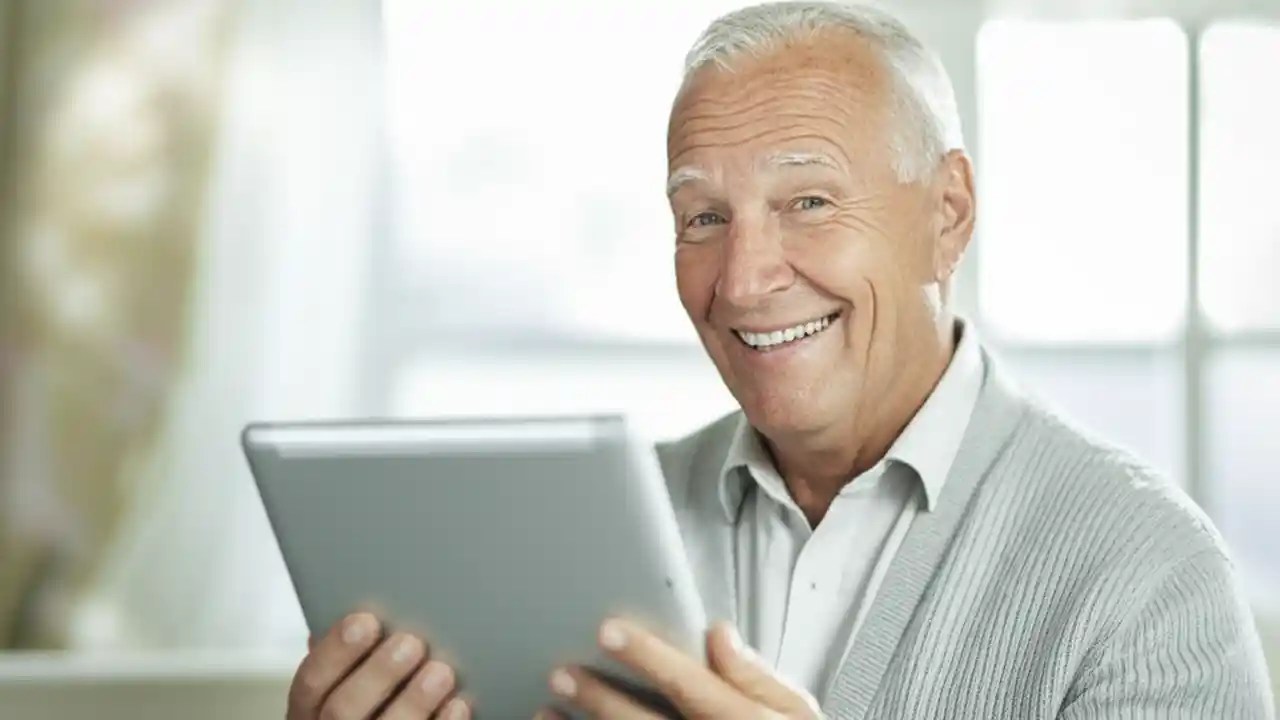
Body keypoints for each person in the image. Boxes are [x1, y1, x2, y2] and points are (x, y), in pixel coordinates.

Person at [283, 3, 1275, 719]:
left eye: (808, 201)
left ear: (947, 214)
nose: (744, 280)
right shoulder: (579, 542)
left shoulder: (1149, 579)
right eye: (702, 218)